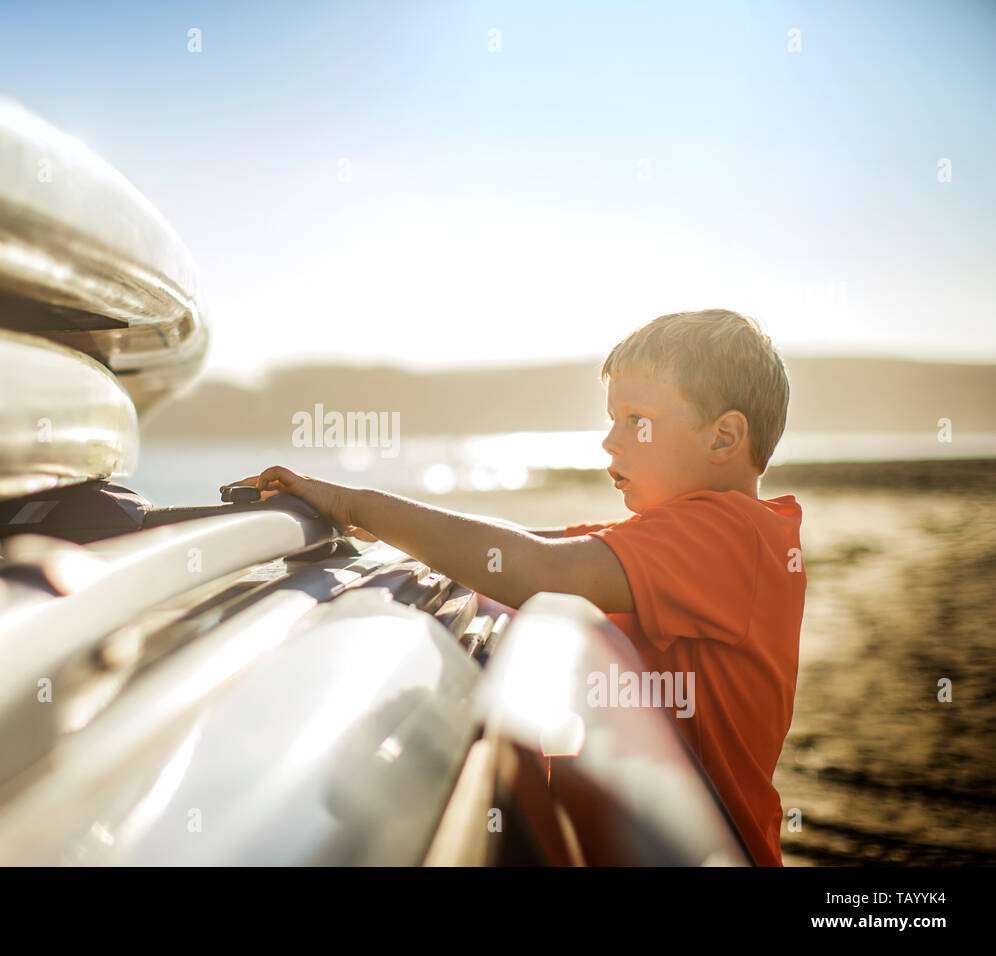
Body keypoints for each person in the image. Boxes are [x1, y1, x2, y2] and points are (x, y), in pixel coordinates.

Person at [222, 309, 805, 866]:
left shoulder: (729, 536)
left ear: (725, 438)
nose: (610, 441)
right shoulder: (680, 532)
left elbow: (533, 567)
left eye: (636, 421)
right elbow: (521, 542)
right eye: (611, 418)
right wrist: (376, 523)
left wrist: (352, 502)